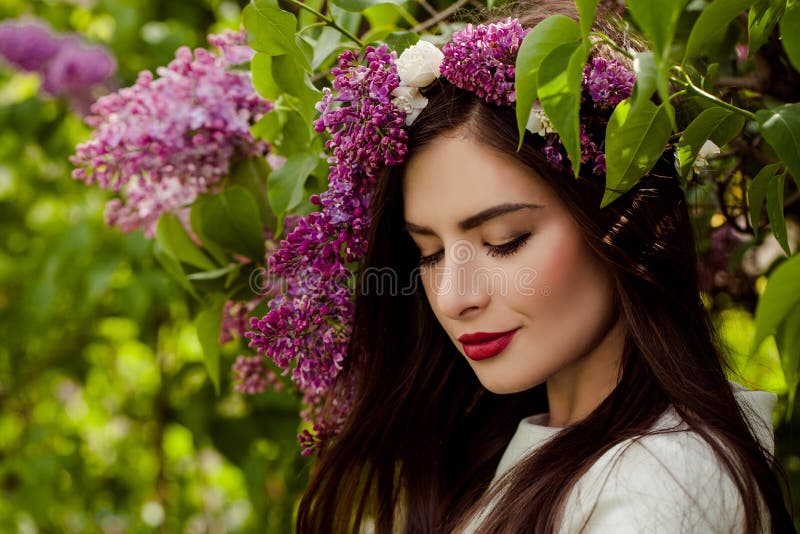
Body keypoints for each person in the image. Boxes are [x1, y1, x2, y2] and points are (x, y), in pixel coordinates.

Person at [289, 2, 796, 532]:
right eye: (431, 253)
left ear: (624, 218)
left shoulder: (664, 487)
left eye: (505, 241)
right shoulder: (496, 457)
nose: (453, 297)